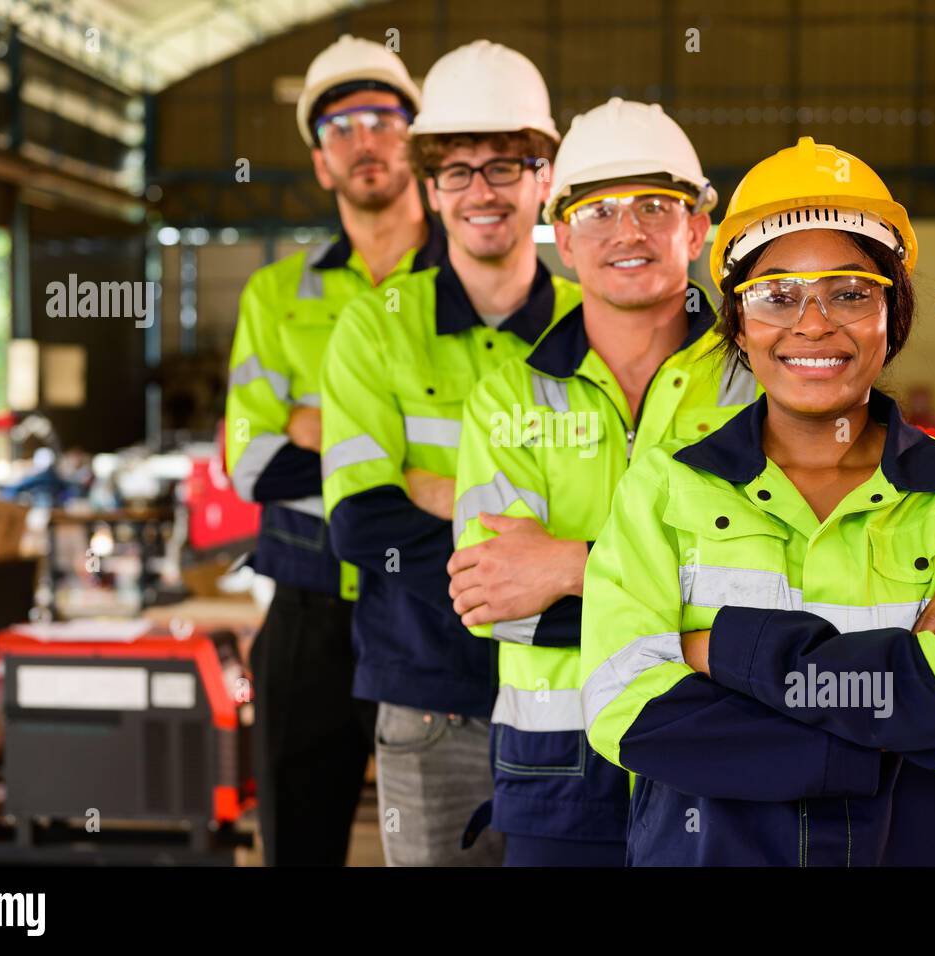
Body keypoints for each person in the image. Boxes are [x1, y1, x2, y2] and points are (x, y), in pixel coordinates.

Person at [579, 136, 935, 866]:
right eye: (777, 294)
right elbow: (623, 711)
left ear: (894, 310)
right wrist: (896, 691)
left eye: (850, 291)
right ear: (737, 321)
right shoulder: (665, 490)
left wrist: (717, 651)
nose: (814, 323)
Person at [448, 99, 757, 866]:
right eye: (599, 211)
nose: (628, 232)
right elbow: (496, 608)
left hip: (722, 756)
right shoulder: (506, 399)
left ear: (697, 229)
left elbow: (781, 590)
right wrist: (698, 623)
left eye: (657, 206)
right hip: (555, 769)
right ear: (562, 237)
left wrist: (570, 568)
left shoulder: (759, 389)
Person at [320, 40, 581, 866]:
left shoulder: (595, 322)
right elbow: (362, 526)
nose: (482, 192)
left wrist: (436, 490)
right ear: (430, 189)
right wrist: (535, 557)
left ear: (544, 181)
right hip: (431, 700)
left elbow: (637, 509)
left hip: (582, 690)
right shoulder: (376, 324)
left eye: (506, 167)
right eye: (459, 171)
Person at [224, 34, 441, 866]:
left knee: (446, 840)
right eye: (340, 127)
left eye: (381, 118)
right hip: (308, 612)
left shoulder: (470, 283)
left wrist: (322, 427)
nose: (363, 140)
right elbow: (251, 464)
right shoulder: (278, 295)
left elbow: (495, 461)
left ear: (413, 142)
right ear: (321, 162)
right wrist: (405, 467)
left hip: (435, 608)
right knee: (298, 844)